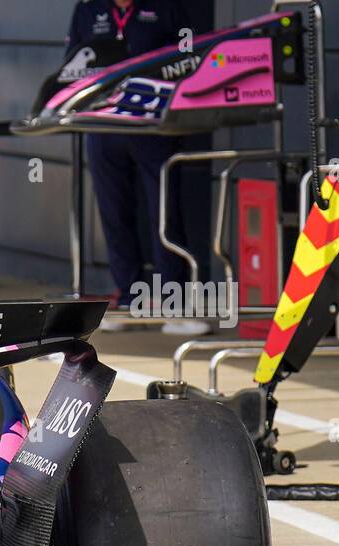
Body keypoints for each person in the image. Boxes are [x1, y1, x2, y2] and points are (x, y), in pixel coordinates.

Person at [64, 0, 203, 334]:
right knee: (114, 213)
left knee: (165, 213)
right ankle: (129, 297)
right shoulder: (88, 10)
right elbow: (70, 65)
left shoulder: (168, 8)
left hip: (154, 126)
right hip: (103, 125)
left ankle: (176, 302)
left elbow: (192, 58)